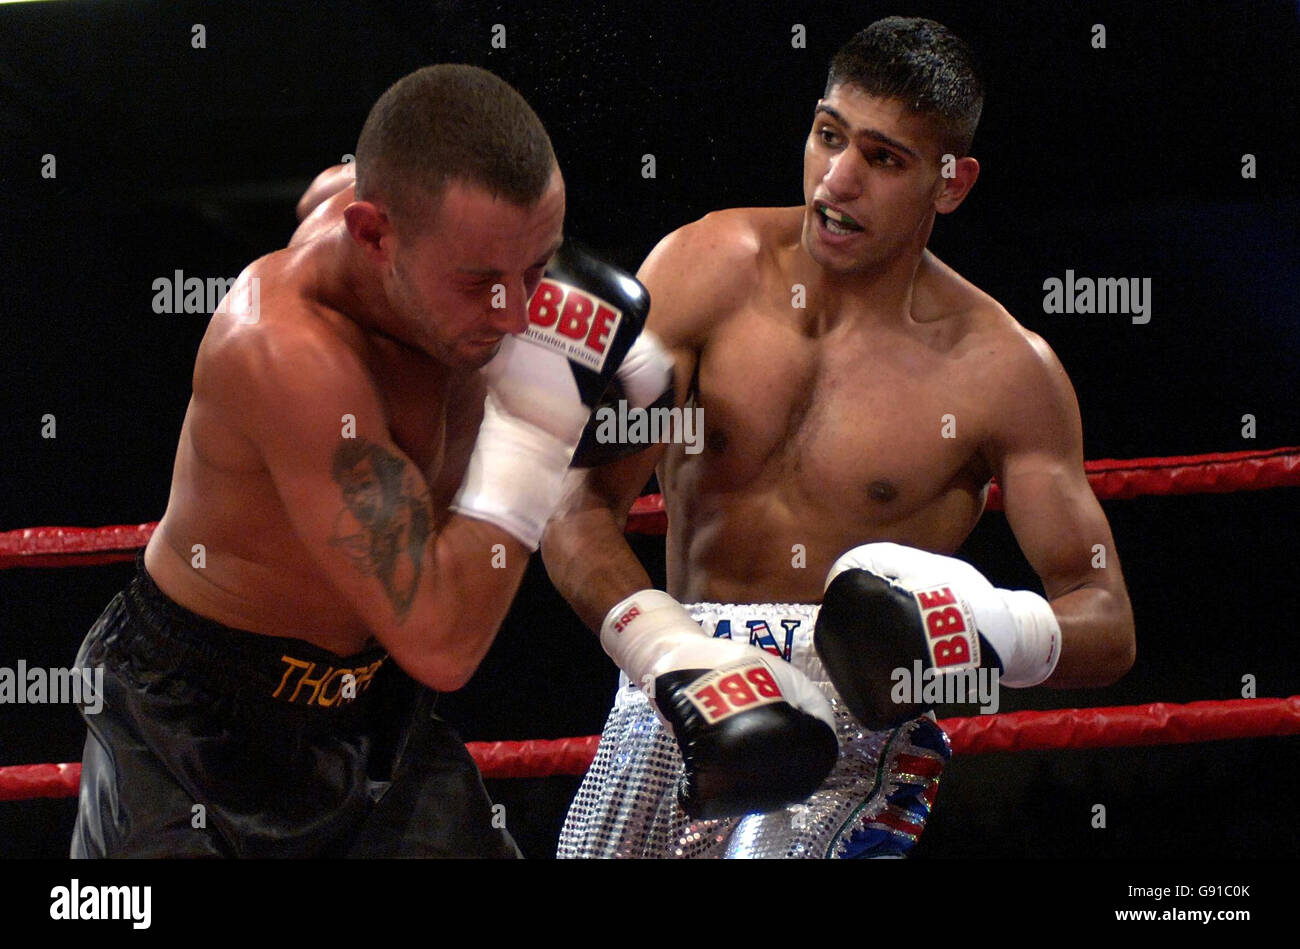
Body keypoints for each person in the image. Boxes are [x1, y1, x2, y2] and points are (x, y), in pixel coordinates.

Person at [544, 17, 1136, 859]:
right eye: (828, 136)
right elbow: (578, 508)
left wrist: (987, 630)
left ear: (951, 183)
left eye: (884, 158)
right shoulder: (701, 268)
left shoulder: (1003, 369)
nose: (837, 179)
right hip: (672, 688)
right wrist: (668, 652)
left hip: (859, 736)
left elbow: (1105, 618)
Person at [71, 63, 635, 857]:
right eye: (480, 283)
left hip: (371, 710)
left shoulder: (417, 231)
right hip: (196, 726)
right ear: (373, 235)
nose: (516, 316)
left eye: (539, 269)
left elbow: (345, 189)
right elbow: (442, 641)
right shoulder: (287, 353)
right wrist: (542, 418)